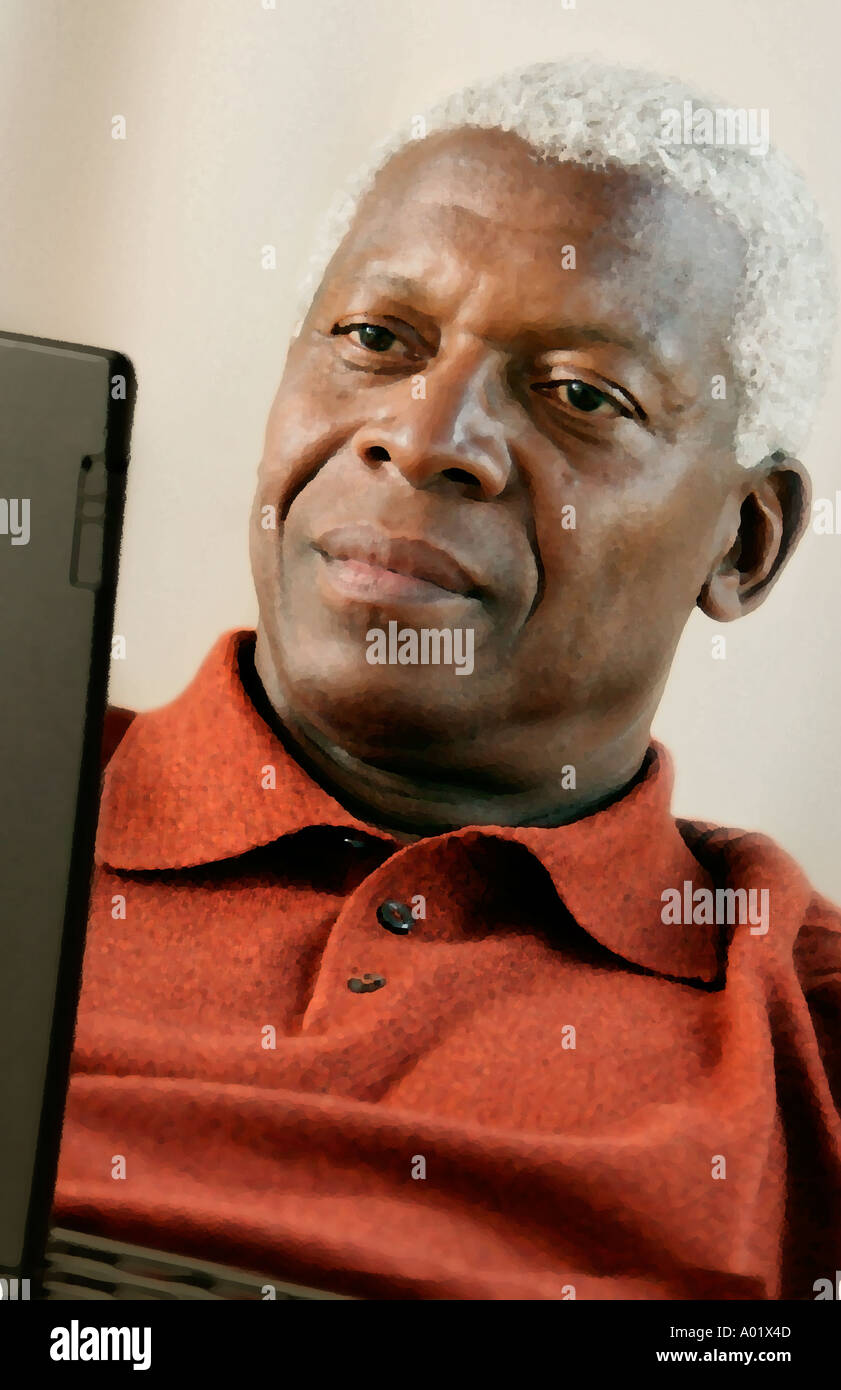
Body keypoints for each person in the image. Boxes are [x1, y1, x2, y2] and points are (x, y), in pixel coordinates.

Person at [52, 58, 841, 1300]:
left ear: (742, 543)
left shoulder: (805, 1033)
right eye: (376, 339)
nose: (422, 437)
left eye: (582, 394)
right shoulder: (28, 786)